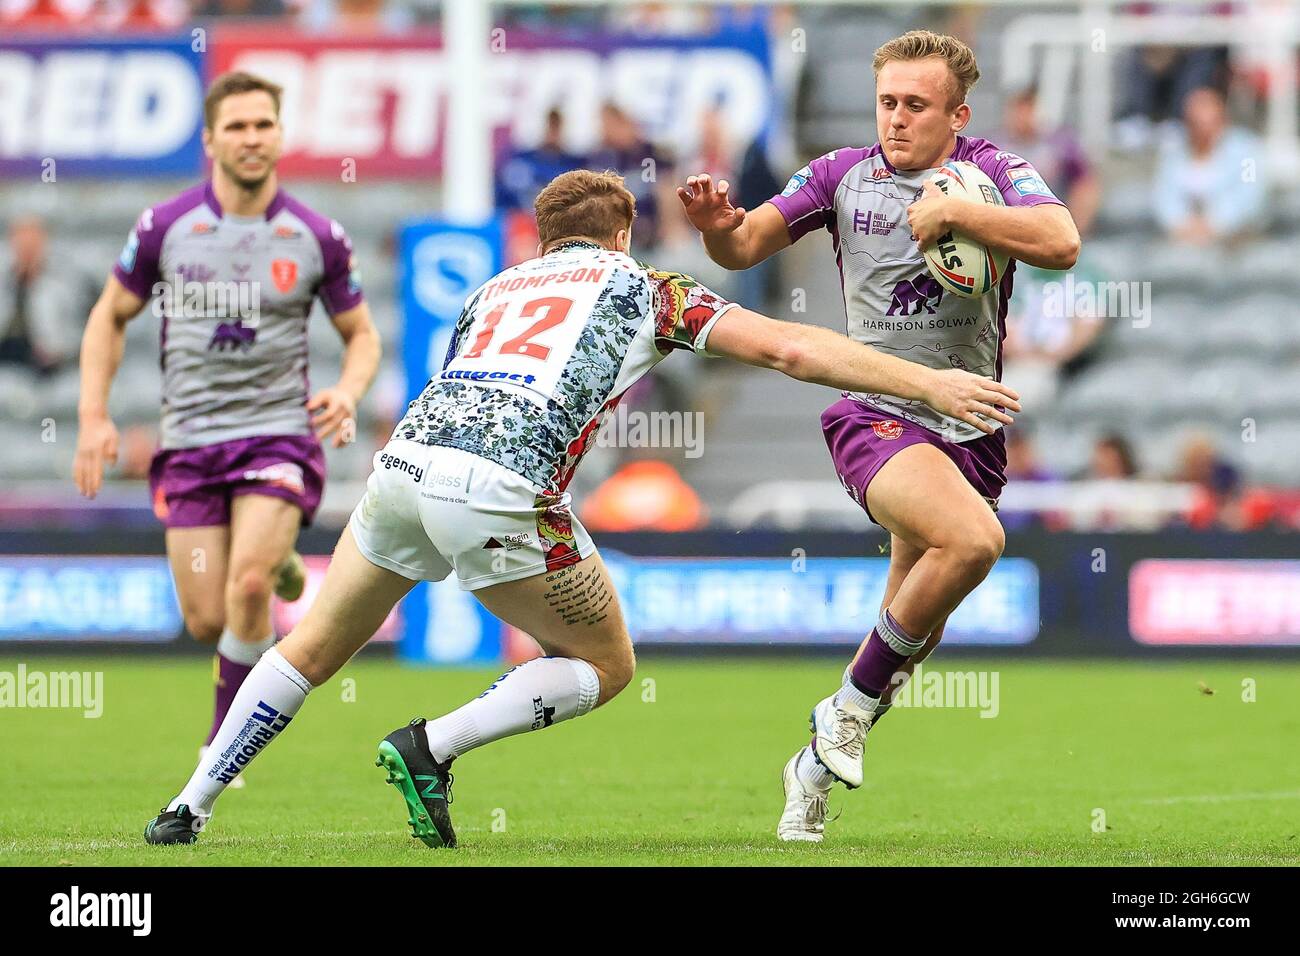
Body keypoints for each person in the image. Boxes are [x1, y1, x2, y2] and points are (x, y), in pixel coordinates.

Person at [141, 168, 1019, 847]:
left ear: (540, 236)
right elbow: (791, 348)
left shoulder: (489, 292)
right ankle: (432, 746)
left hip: (403, 467)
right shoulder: (645, 287)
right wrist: (925, 382)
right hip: (501, 486)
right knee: (606, 665)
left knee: (309, 648)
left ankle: (190, 804)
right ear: (625, 234)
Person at [676, 29, 1079, 842]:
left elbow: (1063, 243)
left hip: (968, 422)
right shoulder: (839, 175)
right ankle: (844, 711)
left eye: (916, 106)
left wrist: (961, 212)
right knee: (972, 542)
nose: (896, 119)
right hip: (878, 409)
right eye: (887, 102)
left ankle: (812, 769)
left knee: (909, 638)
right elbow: (745, 243)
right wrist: (717, 227)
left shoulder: (992, 173)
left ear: (957, 114)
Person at [75, 71, 381, 788]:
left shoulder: (315, 236)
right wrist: (92, 416)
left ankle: (219, 751)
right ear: (211, 138)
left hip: (277, 438)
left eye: (263, 125)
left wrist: (347, 388)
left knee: (245, 588)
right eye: (236, 126)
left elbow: (362, 334)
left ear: (280, 135)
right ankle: (278, 567)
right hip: (190, 445)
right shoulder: (165, 227)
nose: (251, 138)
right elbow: (108, 317)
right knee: (207, 618)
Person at [1153, 86, 1266, 245]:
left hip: (1235, 241)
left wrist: (1216, 222)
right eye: (1196, 124)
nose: (1204, 130)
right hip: (1184, 238)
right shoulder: (1173, 153)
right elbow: (1164, 194)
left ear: (1223, 120)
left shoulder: (1248, 152)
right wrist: (1181, 223)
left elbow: (1251, 192)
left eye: (1210, 122)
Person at [0, 215, 86, 374]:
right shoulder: (5, 279)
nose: (27, 249)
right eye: (22, 242)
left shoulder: (65, 282)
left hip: (44, 355)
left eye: (32, 243)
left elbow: (76, 328)